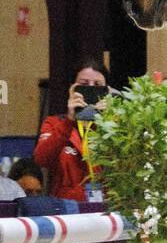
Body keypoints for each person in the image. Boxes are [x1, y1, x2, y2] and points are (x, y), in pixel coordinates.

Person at [34, 58, 110, 202]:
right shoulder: (54, 123)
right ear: (72, 89)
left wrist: (107, 122)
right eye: (84, 84)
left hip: (104, 212)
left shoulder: (113, 127)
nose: (91, 88)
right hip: (67, 212)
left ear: (107, 91)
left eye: (98, 85)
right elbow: (41, 159)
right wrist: (69, 120)